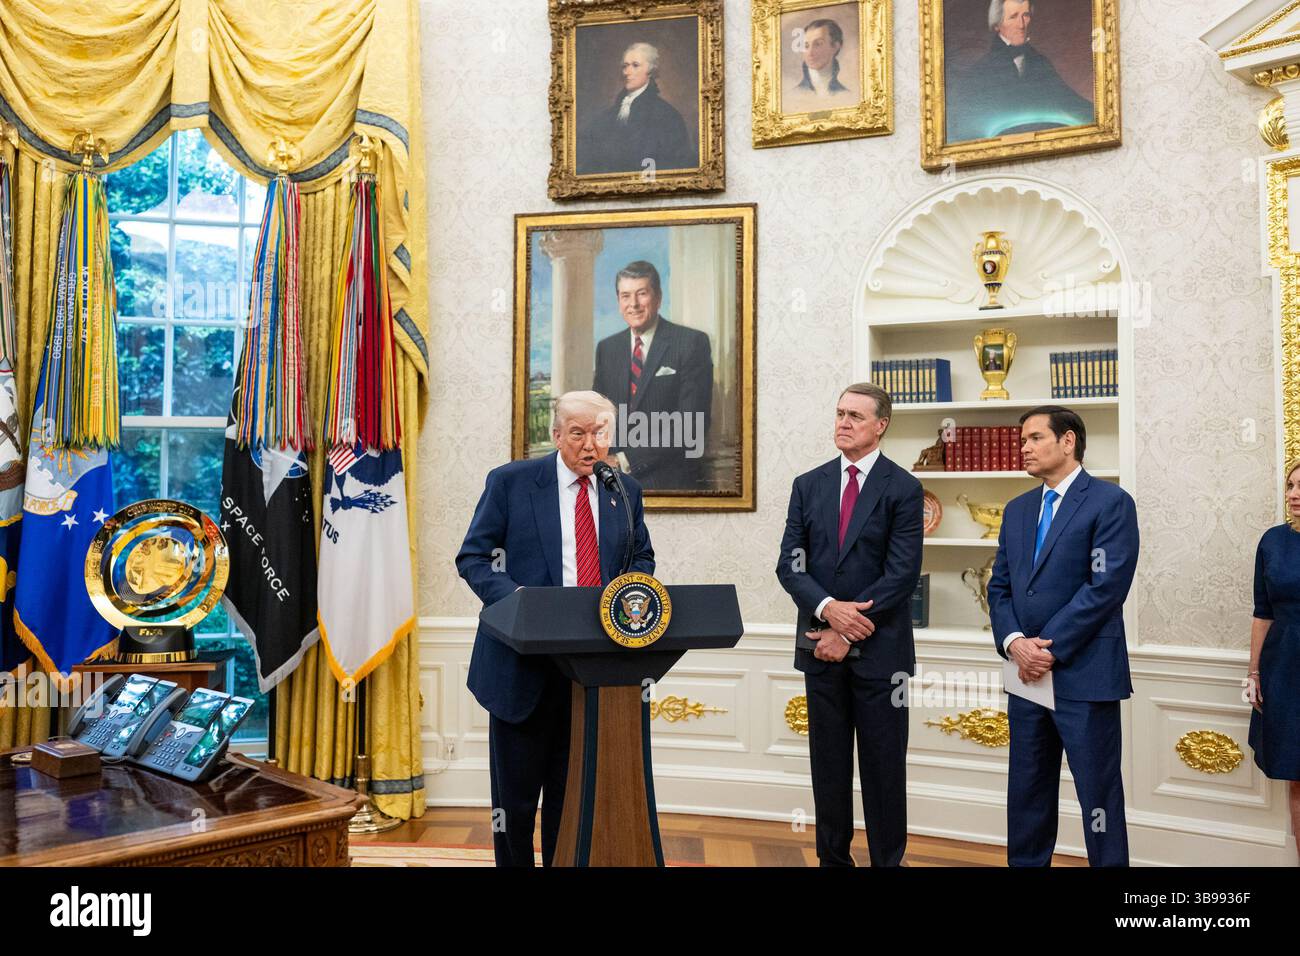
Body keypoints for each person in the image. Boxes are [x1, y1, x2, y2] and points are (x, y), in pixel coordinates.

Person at [455, 390, 655, 866]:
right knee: (516, 804)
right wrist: (518, 603)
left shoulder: (623, 491)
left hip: (592, 672)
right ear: (557, 434)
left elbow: (641, 557)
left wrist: (632, 597)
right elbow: (474, 557)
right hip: (520, 668)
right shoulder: (512, 482)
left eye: (600, 433)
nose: (591, 445)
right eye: (579, 433)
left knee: (575, 798)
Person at [775, 383, 923, 866]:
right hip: (819, 649)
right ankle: (832, 861)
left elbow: (901, 575)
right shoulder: (808, 484)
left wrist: (846, 625)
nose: (843, 422)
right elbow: (791, 564)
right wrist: (827, 612)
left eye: (855, 416)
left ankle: (887, 862)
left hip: (881, 658)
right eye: (839, 413)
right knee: (829, 771)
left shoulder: (903, 487)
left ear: (880, 425)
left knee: (884, 773)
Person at [987, 406, 1138, 866]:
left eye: (1034, 438)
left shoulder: (1110, 502)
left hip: (1084, 675)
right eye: (1023, 440)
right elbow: (1000, 587)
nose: (1024, 448)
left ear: (1068, 441)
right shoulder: (1016, 510)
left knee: (1099, 796)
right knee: (1028, 791)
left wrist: (1045, 649)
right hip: (1026, 677)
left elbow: (1105, 588)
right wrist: (1015, 642)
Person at [592, 260, 713, 491]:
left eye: (642, 294)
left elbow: (691, 425)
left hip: (670, 483)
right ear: (619, 301)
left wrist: (623, 461)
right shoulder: (607, 349)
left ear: (657, 297)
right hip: (613, 486)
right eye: (625, 296)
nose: (633, 304)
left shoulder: (690, 343)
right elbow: (598, 417)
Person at [1246, 458, 1300, 859]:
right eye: (1290, 486)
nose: (1294, 495)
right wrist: (1253, 673)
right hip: (1284, 667)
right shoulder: (1272, 540)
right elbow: (1262, 612)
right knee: (1296, 775)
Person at [946, 0, 1095, 143]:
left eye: (1026, 15)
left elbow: (1069, 100)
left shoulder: (1040, 62)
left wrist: (1102, 118)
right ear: (997, 25)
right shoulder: (980, 71)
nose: (1021, 24)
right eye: (1013, 17)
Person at [576, 41, 697, 175]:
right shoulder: (608, 115)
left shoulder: (667, 115)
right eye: (625, 66)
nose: (627, 72)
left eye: (635, 65)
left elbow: (677, 165)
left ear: (650, 71)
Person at [786, 18, 854, 109]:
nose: (810, 52)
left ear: (835, 47)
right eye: (806, 46)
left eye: (818, 44)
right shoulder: (791, 97)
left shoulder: (847, 97)